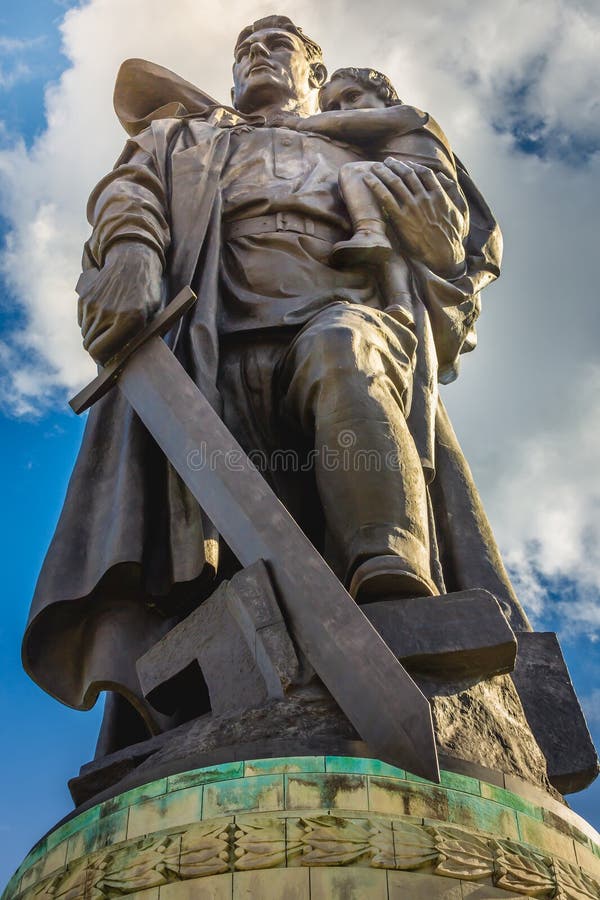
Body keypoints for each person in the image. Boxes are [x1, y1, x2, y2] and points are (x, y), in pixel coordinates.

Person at [23, 15, 529, 754]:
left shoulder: (361, 146)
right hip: (207, 344)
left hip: (341, 316)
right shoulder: (186, 136)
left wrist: (437, 244)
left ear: (314, 75)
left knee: (342, 354)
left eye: (278, 47)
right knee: (206, 541)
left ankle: (389, 583)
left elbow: (453, 253)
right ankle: (215, 700)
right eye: (245, 50)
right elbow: (128, 192)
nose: (258, 57)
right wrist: (130, 250)